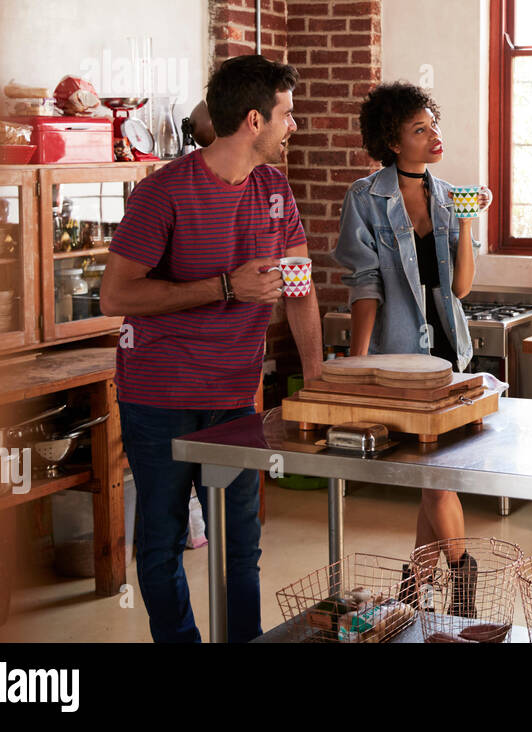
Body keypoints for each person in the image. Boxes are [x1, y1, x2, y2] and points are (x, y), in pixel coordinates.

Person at [100, 54, 323, 643]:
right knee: (162, 537)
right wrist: (225, 287)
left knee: (239, 542)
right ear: (254, 120)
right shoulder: (164, 192)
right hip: (159, 398)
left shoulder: (277, 192)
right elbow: (115, 295)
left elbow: (299, 291)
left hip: (234, 400)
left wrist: (318, 375)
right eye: (287, 115)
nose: (292, 126)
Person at [332, 82, 491, 613]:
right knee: (435, 472)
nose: (434, 135)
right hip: (399, 354)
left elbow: (462, 289)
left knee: (432, 471)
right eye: (420, 129)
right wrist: (357, 363)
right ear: (394, 142)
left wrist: (467, 224)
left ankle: (414, 589)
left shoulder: (447, 196)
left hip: (449, 351)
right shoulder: (366, 197)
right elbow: (365, 282)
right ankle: (463, 580)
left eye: (434, 125)